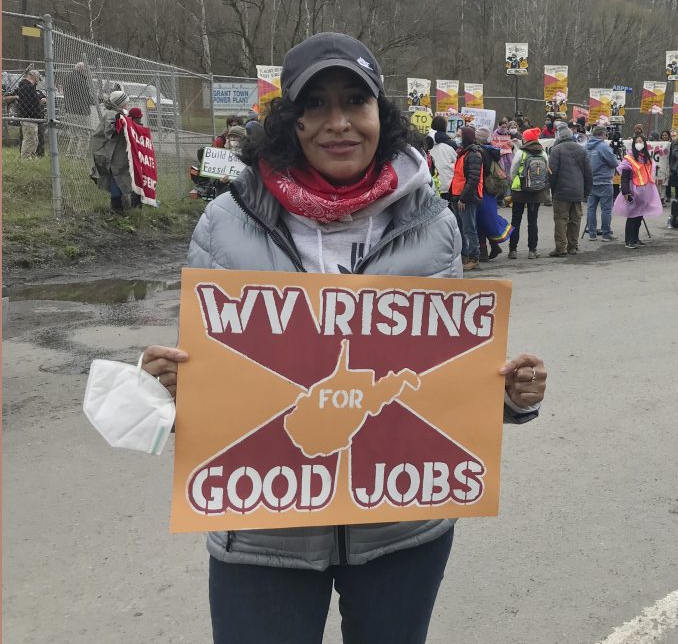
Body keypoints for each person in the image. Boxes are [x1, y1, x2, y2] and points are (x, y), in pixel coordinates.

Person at [139, 32, 547, 644]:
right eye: (316, 105)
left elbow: (440, 378)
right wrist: (166, 387)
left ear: (380, 114)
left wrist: (510, 397)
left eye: (356, 102)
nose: (339, 123)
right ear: (291, 122)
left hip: (399, 531)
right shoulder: (226, 223)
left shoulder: (433, 227)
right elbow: (209, 380)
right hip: (261, 533)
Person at [547, 121, 592, 256]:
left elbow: (552, 172)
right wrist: (586, 191)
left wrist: (553, 189)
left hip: (561, 191)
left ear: (559, 137)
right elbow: (588, 172)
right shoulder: (581, 149)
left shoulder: (556, 150)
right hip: (577, 191)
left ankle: (560, 248)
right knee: (575, 220)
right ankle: (573, 246)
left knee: (561, 220)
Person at [89, 89, 135, 212]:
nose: (127, 105)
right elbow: (110, 132)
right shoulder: (111, 115)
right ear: (119, 104)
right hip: (109, 152)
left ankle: (123, 204)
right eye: (126, 103)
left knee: (121, 177)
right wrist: (119, 125)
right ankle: (116, 205)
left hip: (116, 152)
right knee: (116, 176)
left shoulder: (121, 114)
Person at [614, 134, 662, 248]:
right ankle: (628, 240)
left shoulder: (646, 158)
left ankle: (635, 238)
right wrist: (626, 192)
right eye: (637, 141)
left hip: (645, 190)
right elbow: (624, 177)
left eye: (641, 141)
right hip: (633, 189)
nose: (639, 144)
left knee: (639, 216)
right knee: (632, 216)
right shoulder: (629, 158)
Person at [508, 127, 549, 259]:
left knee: (516, 220)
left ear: (527, 139)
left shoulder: (521, 152)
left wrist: (513, 181)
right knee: (533, 221)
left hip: (520, 190)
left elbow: (513, 170)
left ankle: (513, 250)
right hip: (536, 190)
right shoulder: (543, 153)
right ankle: (532, 250)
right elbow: (546, 170)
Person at [473, 127, 512, 262]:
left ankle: (484, 251)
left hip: (481, 188)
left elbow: (477, 172)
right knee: (487, 218)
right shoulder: (492, 150)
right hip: (490, 189)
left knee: (480, 220)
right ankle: (493, 246)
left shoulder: (480, 152)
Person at [451, 127, 484, 270]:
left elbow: (473, 180)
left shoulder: (473, 155)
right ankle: (464, 255)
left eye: (459, 136)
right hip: (458, 196)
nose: (457, 138)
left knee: (469, 229)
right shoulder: (463, 153)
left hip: (467, 198)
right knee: (460, 228)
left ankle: (474, 257)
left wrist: (463, 198)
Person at [585, 125, 618, 242]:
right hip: (604, 180)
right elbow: (613, 162)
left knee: (591, 208)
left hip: (590, 181)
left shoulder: (586, 146)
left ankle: (592, 233)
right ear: (602, 134)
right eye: (606, 134)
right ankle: (606, 233)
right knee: (606, 209)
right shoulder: (603, 146)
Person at [3, 70, 45, 159]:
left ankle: (32, 156)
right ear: (34, 76)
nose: (38, 81)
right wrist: (16, 97)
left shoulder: (30, 88)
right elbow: (6, 98)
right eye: (38, 79)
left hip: (33, 118)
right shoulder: (26, 87)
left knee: (34, 140)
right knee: (29, 140)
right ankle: (25, 158)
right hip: (28, 117)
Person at [61, 61, 97, 131]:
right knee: (84, 136)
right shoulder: (81, 80)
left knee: (74, 136)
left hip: (69, 110)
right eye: (85, 70)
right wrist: (96, 101)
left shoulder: (67, 77)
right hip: (81, 112)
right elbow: (86, 96)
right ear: (81, 69)